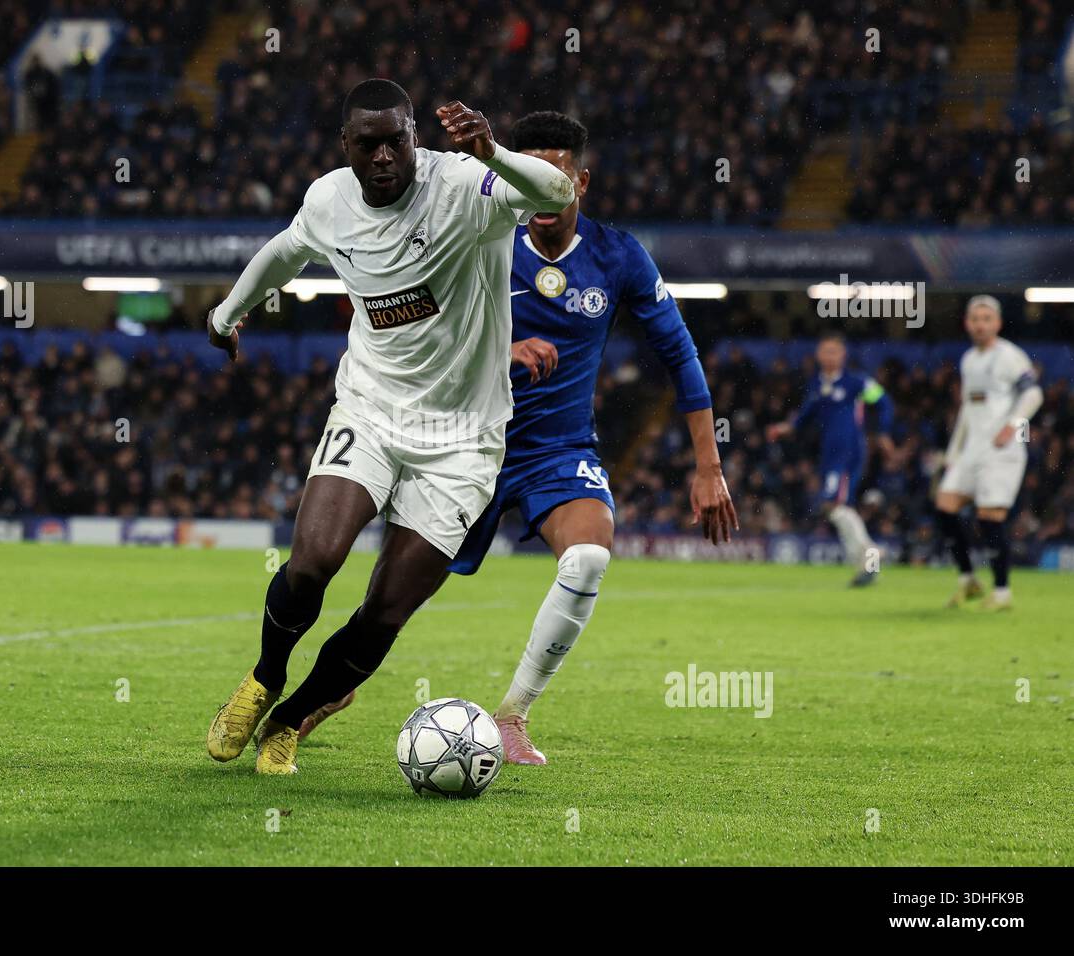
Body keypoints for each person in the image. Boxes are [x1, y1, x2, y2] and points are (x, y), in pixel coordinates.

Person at [299, 112, 738, 765]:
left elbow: (680, 353)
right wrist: (503, 348)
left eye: (554, 173)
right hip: (461, 441)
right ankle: (329, 690)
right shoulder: (482, 235)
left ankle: (513, 715)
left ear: (577, 181)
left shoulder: (617, 256)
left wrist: (708, 466)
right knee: (392, 598)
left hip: (557, 453)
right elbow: (416, 326)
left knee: (588, 557)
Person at [204, 80, 575, 774]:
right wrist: (228, 311)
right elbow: (287, 251)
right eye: (367, 143)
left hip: (463, 440)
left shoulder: (466, 183)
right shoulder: (329, 200)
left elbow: (556, 195)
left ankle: (292, 719)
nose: (383, 156)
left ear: (415, 137)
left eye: (396, 140)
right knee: (313, 561)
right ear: (345, 145)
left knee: (384, 611)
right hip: (371, 411)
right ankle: (263, 680)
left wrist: (493, 149)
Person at [935, 295, 1042, 611]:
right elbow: (968, 410)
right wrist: (953, 452)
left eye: (986, 319)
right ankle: (968, 579)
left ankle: (1002, 591)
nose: (980, 324)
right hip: (972, 449)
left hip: (1001, 451)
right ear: (967, 323)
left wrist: (1013, 425)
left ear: (997, 323)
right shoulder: (969, 360)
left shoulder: (1011, 356)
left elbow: (1033, 393)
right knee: (945, 507)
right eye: (975, 319)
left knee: (989, 518)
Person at [766, 332, 893, 586]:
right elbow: (805, 416)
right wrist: (785, 427)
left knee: (834, 504)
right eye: (824, 351)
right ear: (818, 354)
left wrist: (882, 433)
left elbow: (884, 402)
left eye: (833, 351)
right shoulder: (818, 385)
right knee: (836, 506)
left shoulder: (855, 383)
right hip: (829, 454)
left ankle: (870, 554)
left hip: (848, 451)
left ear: (843, 355)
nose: (828, 356)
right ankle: (867, 561)